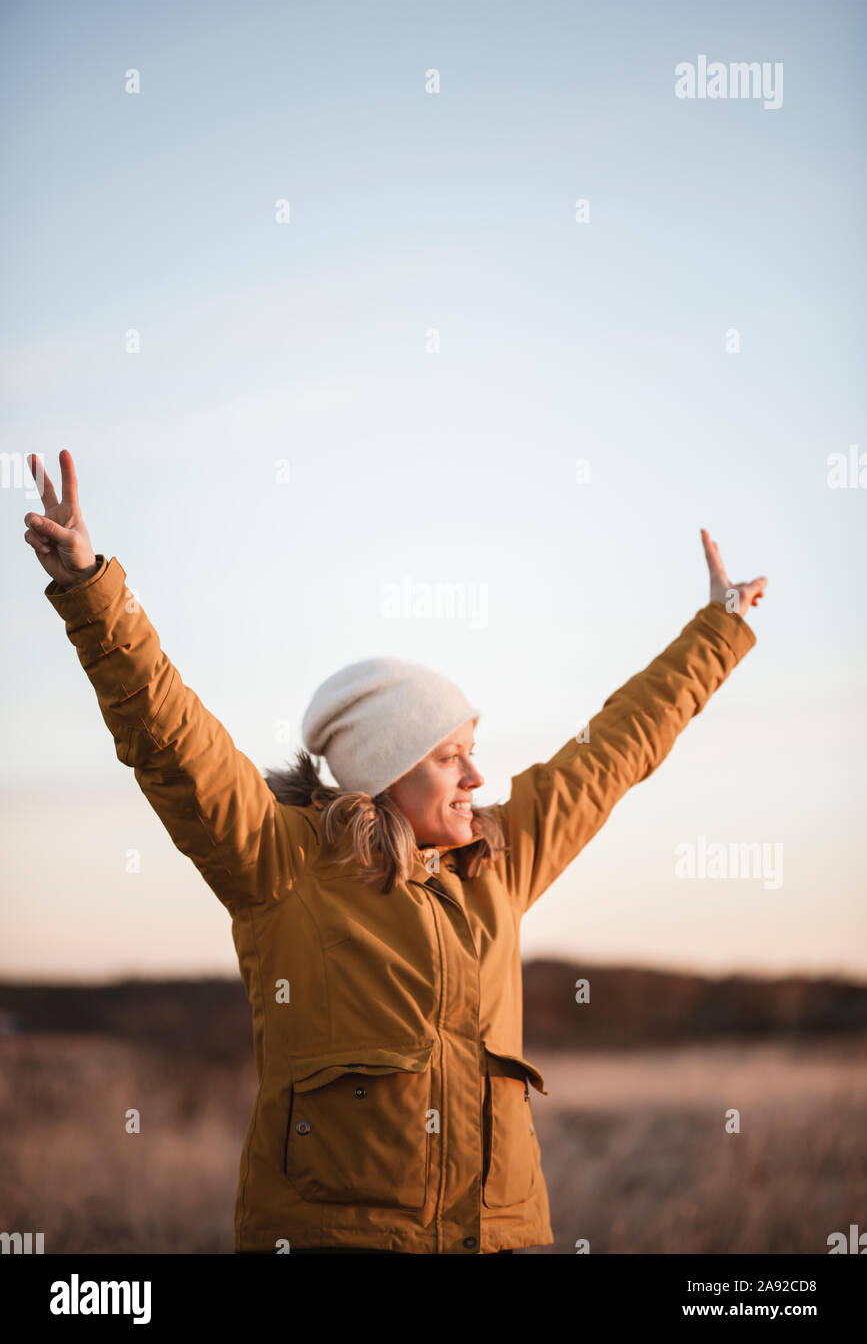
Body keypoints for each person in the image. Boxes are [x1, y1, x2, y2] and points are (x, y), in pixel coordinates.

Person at [24, 449, 767, 1255]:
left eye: (473, 749)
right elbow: (172, 742)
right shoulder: (284, 862)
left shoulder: (499, 860)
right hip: (339, 1238)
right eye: (451, 756)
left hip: (496, 1239)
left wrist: (717, 630)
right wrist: (90, 590)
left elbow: (617, 748)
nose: (477, 776)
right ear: (386, 773)